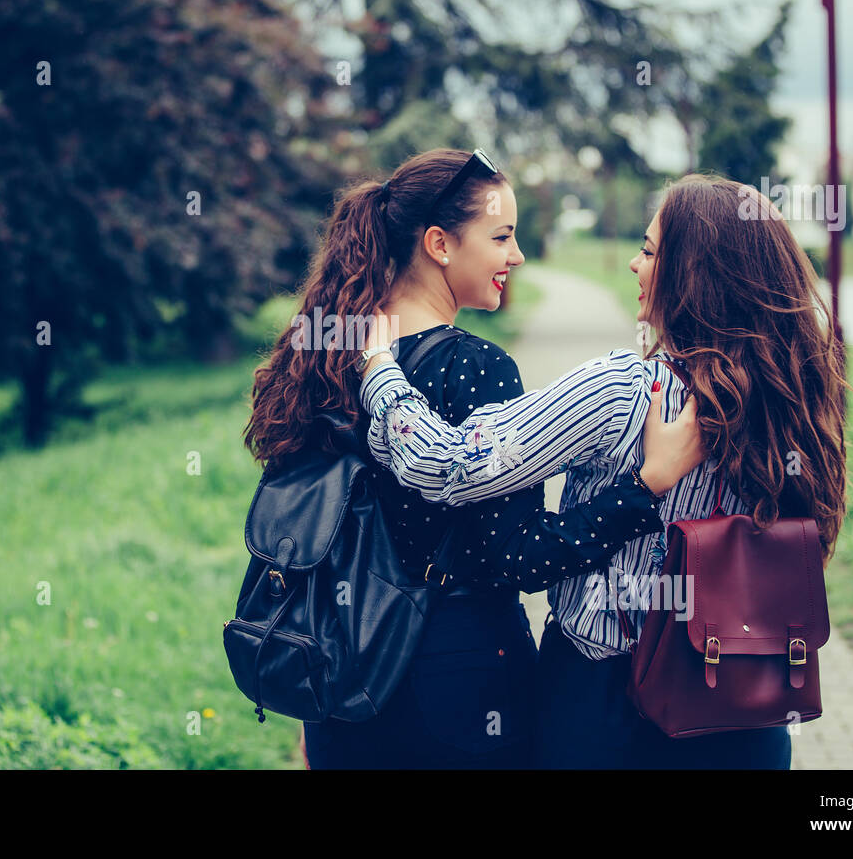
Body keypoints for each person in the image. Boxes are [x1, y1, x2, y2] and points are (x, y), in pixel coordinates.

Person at [358, 172, 849, 769]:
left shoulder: (626, 390)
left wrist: (379, 368)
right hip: (751, 703)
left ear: (694, 272)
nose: (636, 265)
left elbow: (445, 464)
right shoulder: (796, 398)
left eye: (650, 251)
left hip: (610, 706)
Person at [243, 149, 704, 768]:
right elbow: (520, 557)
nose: (517, 256)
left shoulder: (330, 355)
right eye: (502, 236)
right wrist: (637, 494)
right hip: (459, 686)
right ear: (439, 244)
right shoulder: (476, 367)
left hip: (338, 669)